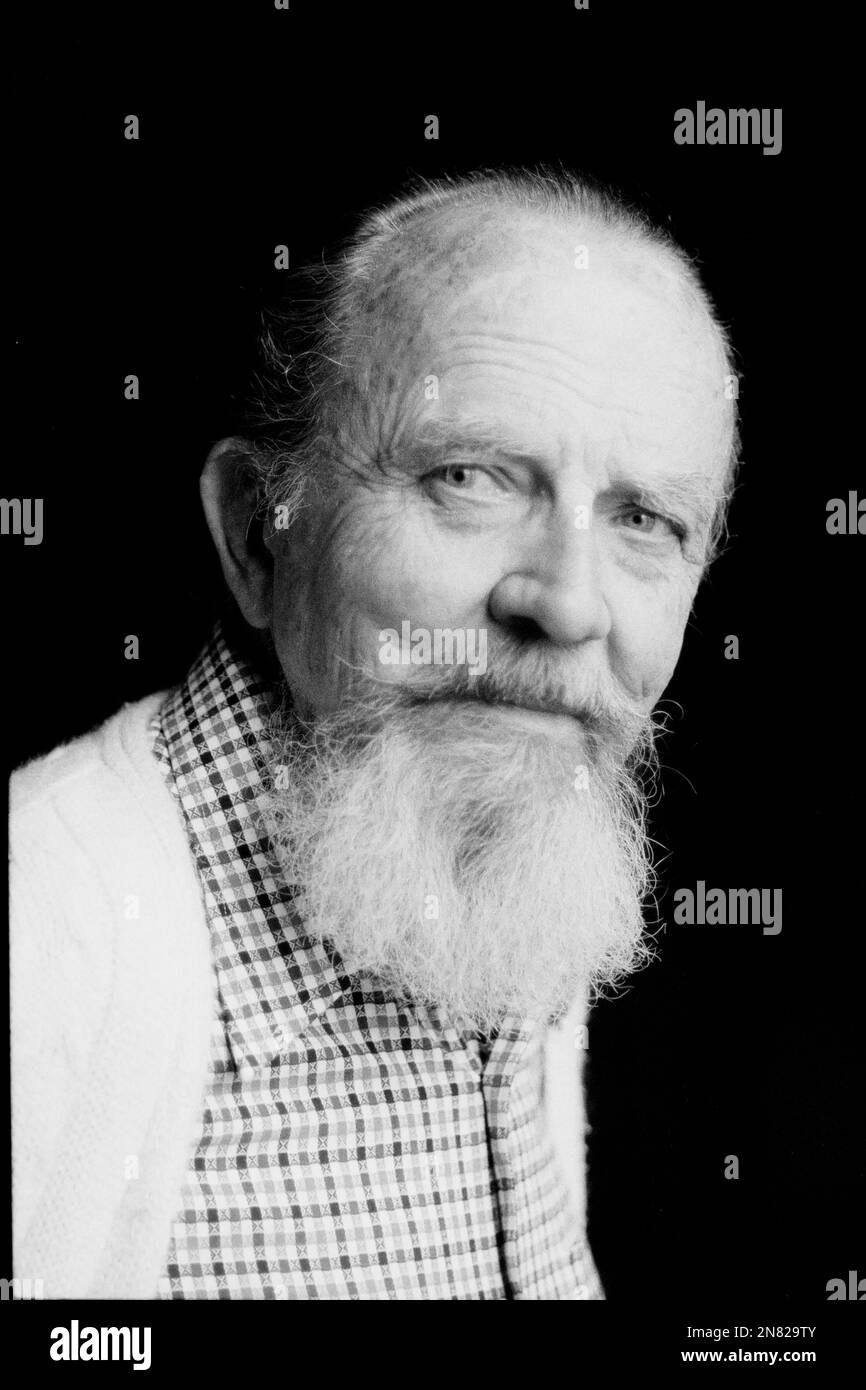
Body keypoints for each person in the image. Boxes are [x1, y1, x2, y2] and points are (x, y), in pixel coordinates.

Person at [10, 167, 738, 1300]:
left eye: (644, 519)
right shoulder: (38, 940)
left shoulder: (503, 879)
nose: (567, 602)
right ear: (259, 534)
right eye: (469, 477)